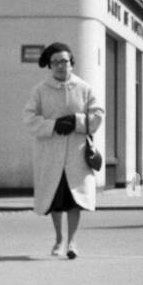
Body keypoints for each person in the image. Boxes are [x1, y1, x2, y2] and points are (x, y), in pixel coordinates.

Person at [23, 42, 104, 258]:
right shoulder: (40, 91)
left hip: (76, 155)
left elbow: (98, 116)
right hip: (50, 154)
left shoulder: (84, 89)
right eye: (56, 62)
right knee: (55, 200)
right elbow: (28, 119)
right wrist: (52, 125)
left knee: (74, 200)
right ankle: (59, 238)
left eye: (65, 61)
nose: (61, 66)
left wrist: (77, 121)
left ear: (72, 63)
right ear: (50, 65)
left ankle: (72, 242)